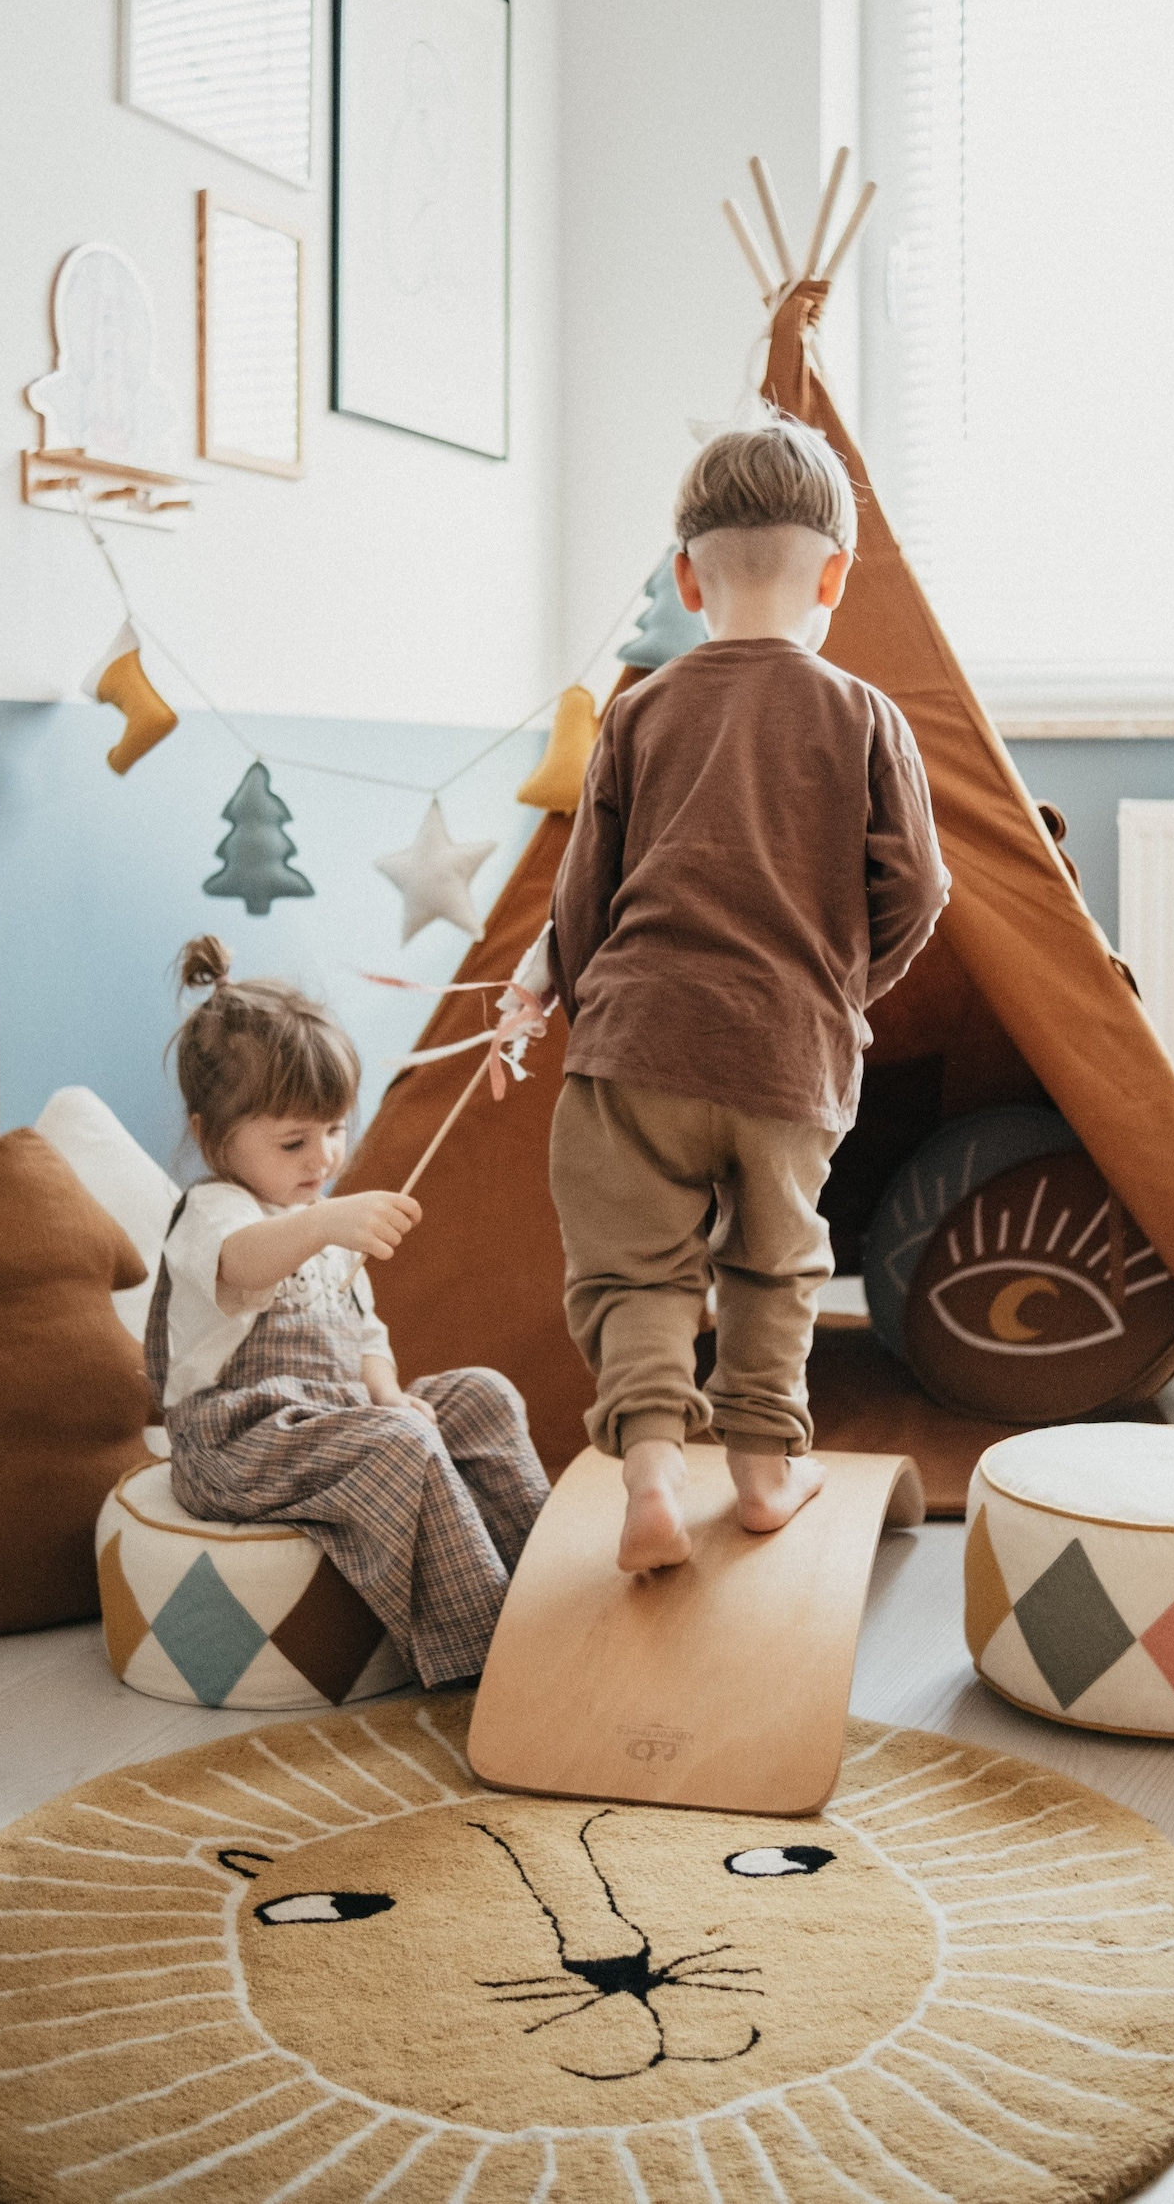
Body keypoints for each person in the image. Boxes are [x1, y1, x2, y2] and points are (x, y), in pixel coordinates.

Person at [547, 415, 950, 1573]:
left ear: (686, 580)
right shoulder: (864, 714)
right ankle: (765, 1474)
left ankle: (653, 1476)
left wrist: (584, 1004)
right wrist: (844, 986)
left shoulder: (639, 712)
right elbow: (919, 887)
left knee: (636, 1271)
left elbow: (585, 898)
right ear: (835, 576)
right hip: (787, 1054)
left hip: (634, 1046)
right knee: (774, 1266)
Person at [146, 937, 549, 1686]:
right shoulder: (217, 1211)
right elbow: (243, 1261)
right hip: (234, 1443)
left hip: (334, 1419)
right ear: (210, 1137)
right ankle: (486, 1652)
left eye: (334, 1130)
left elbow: (365, 1333)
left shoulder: (318, 1222)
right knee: (400, 1443)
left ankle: (547, 1592)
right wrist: (325, 1224)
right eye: (293, 1141)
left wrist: (389, 1391)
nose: (324, 1158)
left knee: (481, 1397)